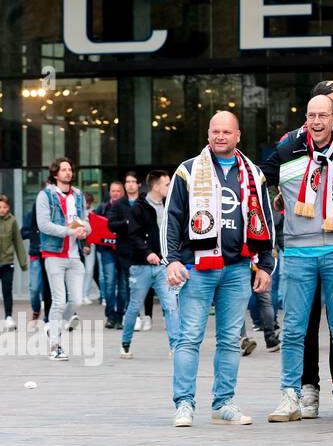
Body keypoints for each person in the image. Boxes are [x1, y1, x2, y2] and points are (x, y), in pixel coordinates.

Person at [263, 93, 333, 425]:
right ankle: (290, 395)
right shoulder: (287, 150)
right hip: (298, 252)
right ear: (306, 118)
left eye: (322, 116)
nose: (316, 122)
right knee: (295, 329)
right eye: (311, 115)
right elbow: (256, 183)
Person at [165, 112, 277, 426]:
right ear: (208, 134)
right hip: (198, 267)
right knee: (189, 338)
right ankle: (184, 404)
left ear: (237, 135)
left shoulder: (253, 173)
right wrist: (172, 259)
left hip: (239, 268)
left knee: (230, 340)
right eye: (215, 131)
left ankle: (223, 403)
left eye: (226, 132)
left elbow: (264, 221)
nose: (220, 137)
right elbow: (172, 217)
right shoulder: (188, 170)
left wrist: (265, 265)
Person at [119, 171, 181, 357]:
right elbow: (133, 235)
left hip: (163, 265)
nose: (169, 187)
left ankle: (175, 346)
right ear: (155, 186)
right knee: (134, 305)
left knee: (171, 305)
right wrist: (148, 253)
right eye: (167, 184)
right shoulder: (139, 207)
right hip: (141, 266)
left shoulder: (168, 205)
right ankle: (125, 343)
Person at [36, 158, 90, 361]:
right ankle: (55, 346)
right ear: (55, 173)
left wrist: (85, 230)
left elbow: (84, 220)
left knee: (76, 299)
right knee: (58, 300)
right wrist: (70, 231)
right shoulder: (46, 195)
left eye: (70, 169)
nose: (68, 172)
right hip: (54, 254)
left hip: (75, 255)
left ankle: (52, 327)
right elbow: (43, 225)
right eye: (64, 169)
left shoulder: (77, 194)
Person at [95, 180, 125, 327]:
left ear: (122, 192)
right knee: (109, 282)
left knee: (123, 284)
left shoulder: (127, 208)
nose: (115, 193)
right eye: (113, 190)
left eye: (118, 191)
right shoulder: (102, 208)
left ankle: (120, 315)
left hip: (124, 250)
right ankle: (110, 316)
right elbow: (93, 225)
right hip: (107, 251)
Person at [0, 195, 27, 330]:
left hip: (7, 262)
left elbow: (18, 242)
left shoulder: (12, 221)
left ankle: (9, 317)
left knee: (7, 290)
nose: (2, 210)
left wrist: (23, 262)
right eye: (0, 207)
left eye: (4, 207)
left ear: (8, 208)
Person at [20, 200, 49, 331]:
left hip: (50, 255)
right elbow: (23, 232)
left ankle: (48, 318)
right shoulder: (31, 215)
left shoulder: (52, 215)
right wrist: (37, 234)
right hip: (36, 255)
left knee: (48, 288)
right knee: (34, 289)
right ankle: (36, 311)